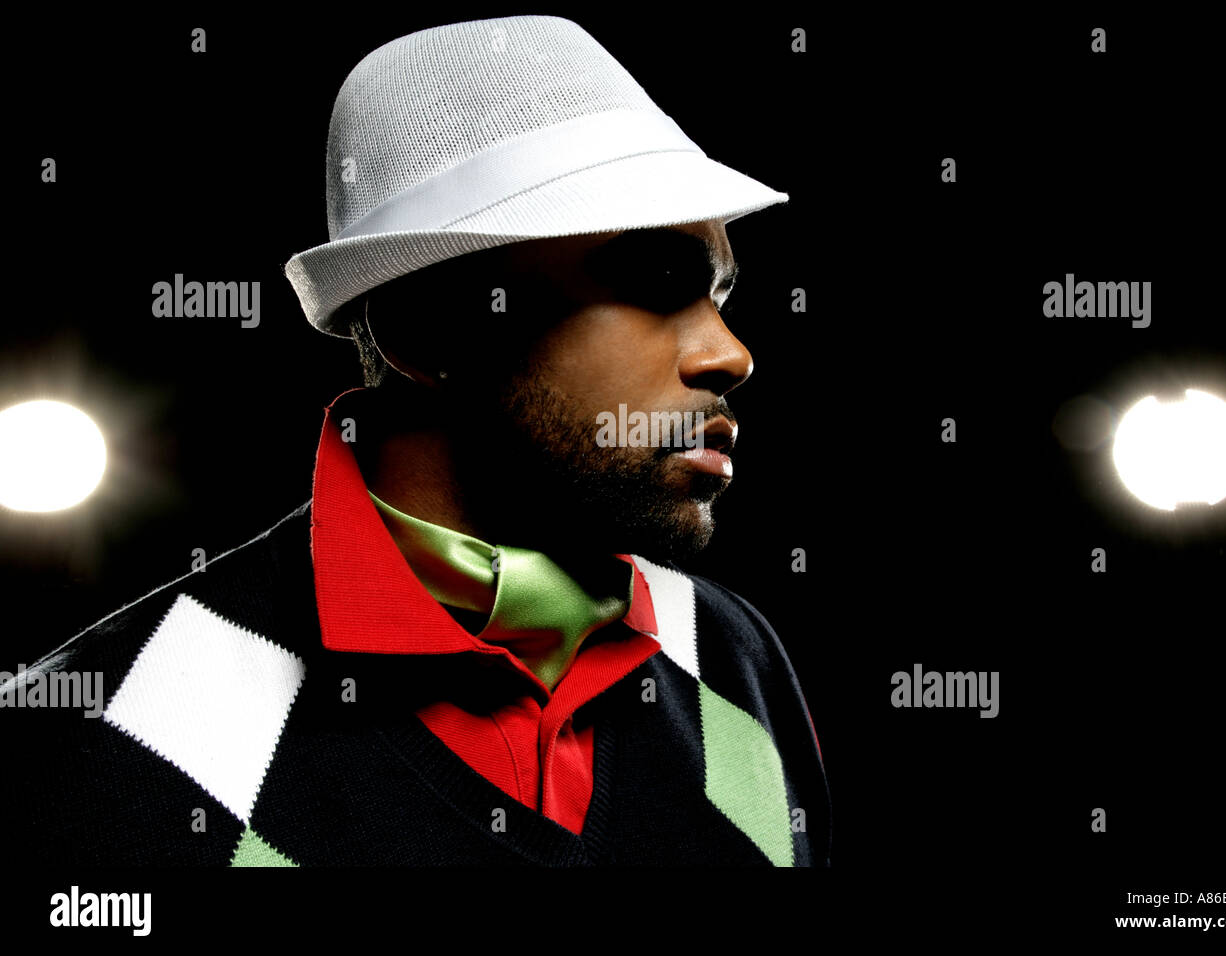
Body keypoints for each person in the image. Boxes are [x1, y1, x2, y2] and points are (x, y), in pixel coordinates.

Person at [6, 15, 830, 866]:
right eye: (659, 281)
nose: (730, 354)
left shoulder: (738, 661)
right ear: (431, 326)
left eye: (721, 293)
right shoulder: (106, 740)